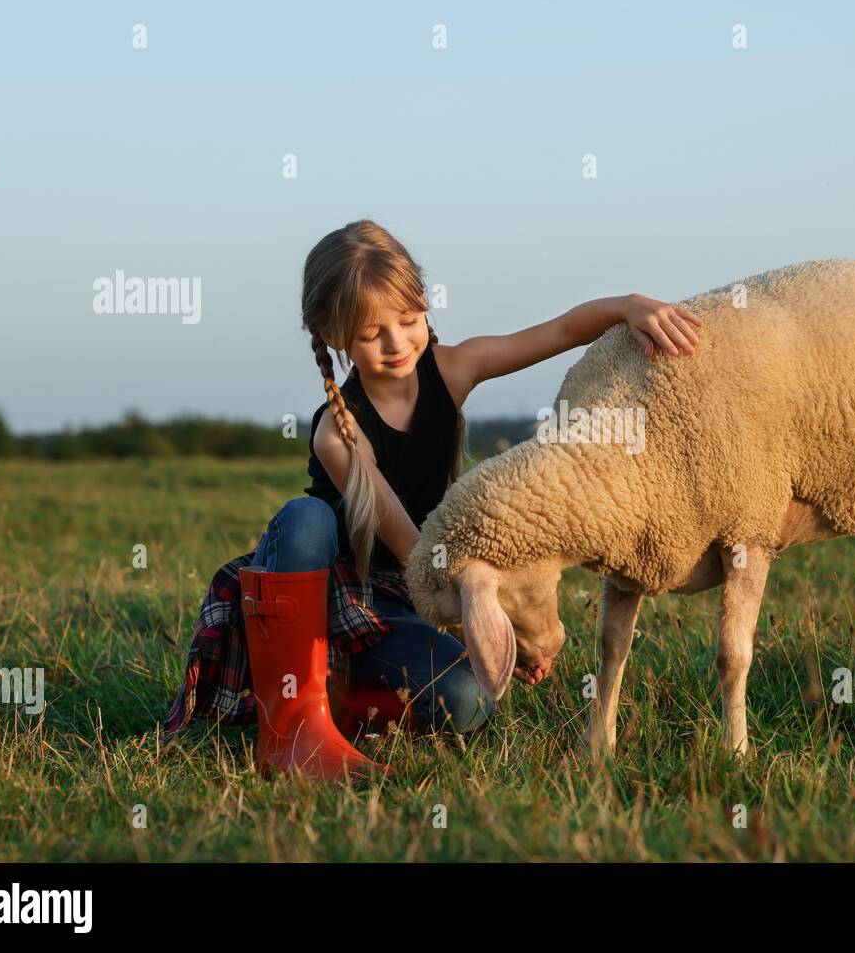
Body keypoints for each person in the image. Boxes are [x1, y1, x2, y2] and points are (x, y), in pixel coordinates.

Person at [162, 219, 702, 780]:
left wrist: (629, 305)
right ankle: (292, 729)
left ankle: (346, 701)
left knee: (470, 699)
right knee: (306, 517)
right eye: (372, 333)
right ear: (331, 333)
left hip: (398, 601)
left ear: (425, 306)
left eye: (408, 318)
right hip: (329, 594)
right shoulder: (337, 433)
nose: (397, 343)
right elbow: (417, 550)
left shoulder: (452, 369)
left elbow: (562, 329)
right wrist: (498, 626)